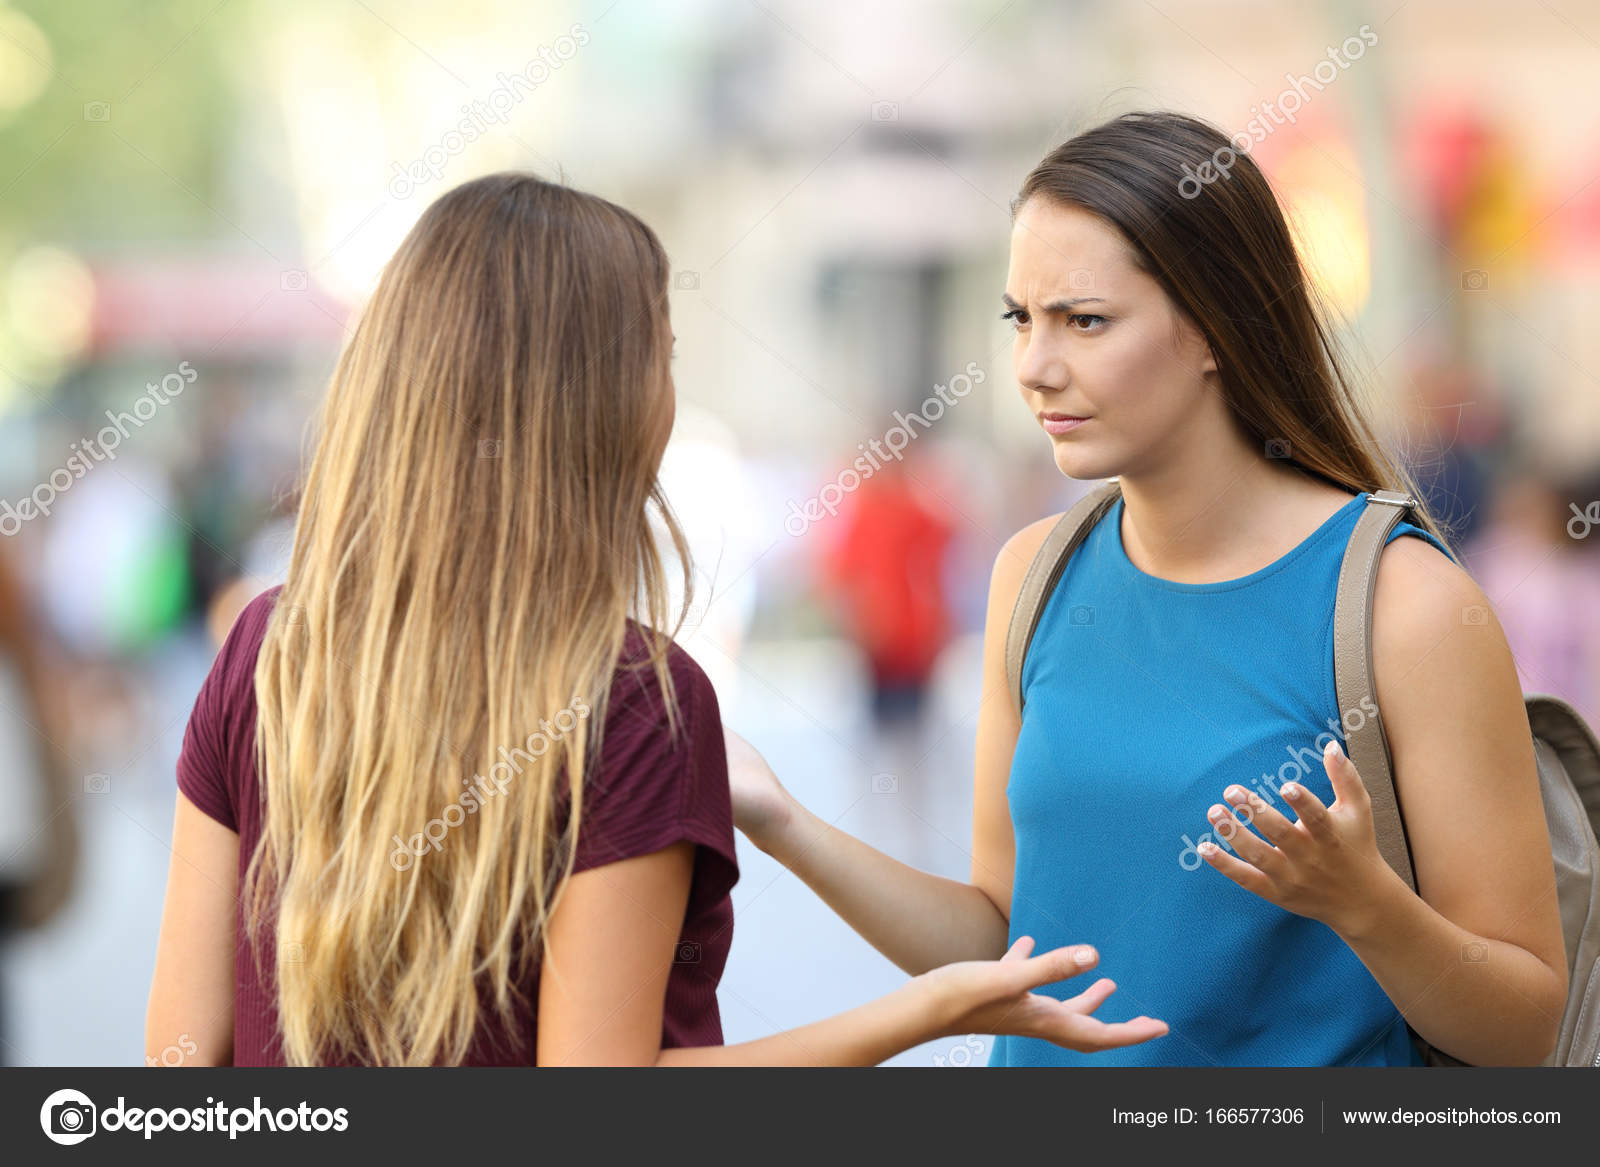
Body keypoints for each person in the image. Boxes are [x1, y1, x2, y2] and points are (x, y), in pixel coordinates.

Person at [145, 173, 1169, 1067]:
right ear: (600, 394)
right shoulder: (631, 700)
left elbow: (180, 1053)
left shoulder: (269, 649)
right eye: (662, 354)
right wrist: (918, 1013)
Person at [726, 110, 1568, 1067]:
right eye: (1021, 319)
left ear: (1216, 330)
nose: (1036, 367)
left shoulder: (1404, 604)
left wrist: (1366, 906)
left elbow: (1524, 1028)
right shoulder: (1033, 576)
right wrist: (782, 819)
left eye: (1084, 320)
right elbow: (1003, 946)